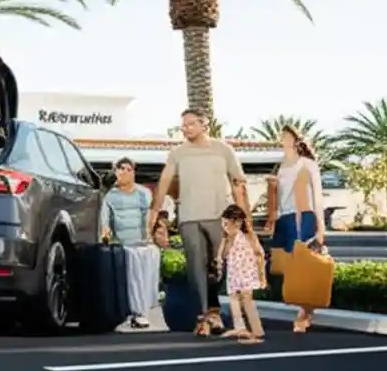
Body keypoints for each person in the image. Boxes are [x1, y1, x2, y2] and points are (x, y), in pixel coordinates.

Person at [147, 108, 250, 337]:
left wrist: (244, 218)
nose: (185, 129)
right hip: (189, 217)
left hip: (219, 216)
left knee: (218, 266)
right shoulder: (178, 153)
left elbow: (238, 182)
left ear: (205, 125)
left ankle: (213, 309)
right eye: (183, 125)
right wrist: (156, 211)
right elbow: (165, 180)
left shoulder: (224, 150)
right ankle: (203, 316)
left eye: (190, 124)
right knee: (196, 268)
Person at [266, 124, 327, 333]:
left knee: (302, 264)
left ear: (295, 140)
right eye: (281, 136)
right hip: (284, 218)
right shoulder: (280, 166)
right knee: (283, 266)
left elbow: (317, 196)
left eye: (285, 136)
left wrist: (321, 227)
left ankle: (304, 314)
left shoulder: (307, 164)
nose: (282, 139)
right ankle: (302, 306)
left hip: (303, 216)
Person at [100, 157, 158, 328]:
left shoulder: (144, 194)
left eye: (128, 169)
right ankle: (132, 312)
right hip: (122, 246)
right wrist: (105, 232)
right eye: (120, 169)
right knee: (129, 277)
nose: (123, 172)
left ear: (134, 172)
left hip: (142, 245)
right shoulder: (109, 196)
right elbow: (105, 221)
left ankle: (141, 311)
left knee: (146, 269)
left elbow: (148, 218)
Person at [215, 203, 268, 344]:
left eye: (228, 223)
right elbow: (222, 254)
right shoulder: (227, 238)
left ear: (237, 222)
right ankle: (240, 327)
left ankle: (256, 330)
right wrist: (227, 240)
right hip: (234, 273)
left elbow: (259, 254)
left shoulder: (248, 236)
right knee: (233, 297)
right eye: (224, 223)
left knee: (246, 299)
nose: (225, 226)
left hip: (247, 272)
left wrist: (262, 275)